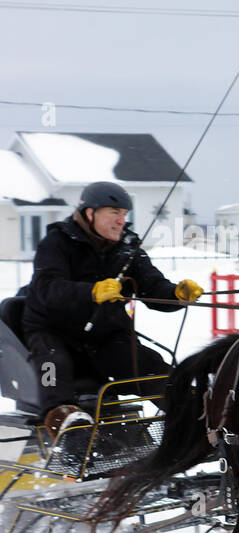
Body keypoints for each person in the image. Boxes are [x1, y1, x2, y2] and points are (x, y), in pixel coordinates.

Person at [21, 181, 204, 436]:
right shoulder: (56, 242)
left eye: (124, 215)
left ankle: (197, 417)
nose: (121, 221)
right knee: (55, 363)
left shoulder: (128, 248)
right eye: (114, 213)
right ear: (89, 213)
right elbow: (47, 288)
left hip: (105, 333)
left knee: (149, 367)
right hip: (53, 330)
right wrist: (91, 292)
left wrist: (176, 294)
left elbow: (152, 287)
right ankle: (65, 423)